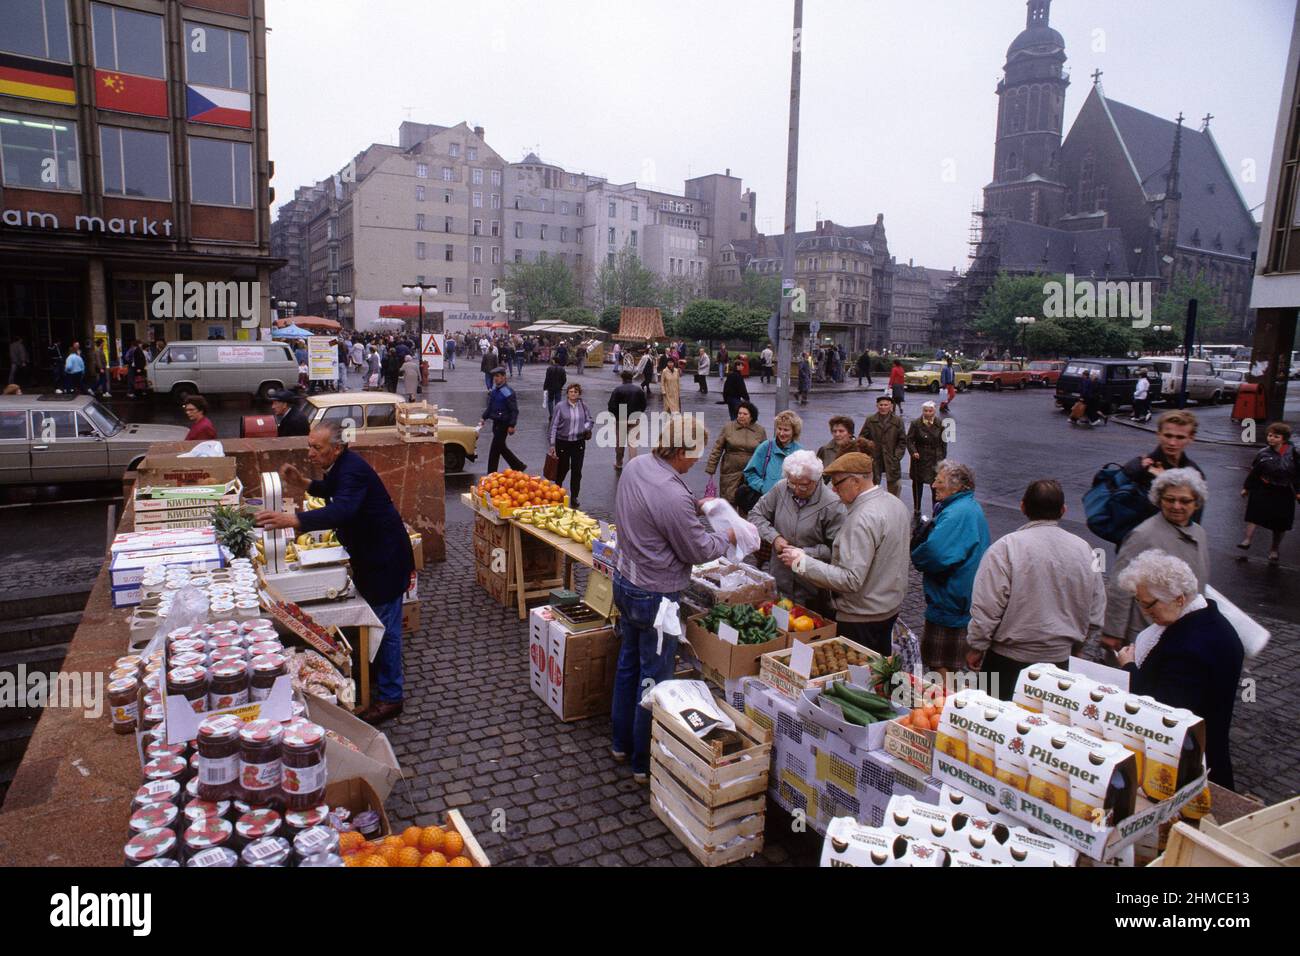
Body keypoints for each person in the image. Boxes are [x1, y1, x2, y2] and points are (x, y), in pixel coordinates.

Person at [256, 421, 414, 724]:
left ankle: (391, 697)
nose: (311, 452)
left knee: (387, 628)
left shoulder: (352, 469)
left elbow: (343, 510)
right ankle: (380, 677)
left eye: (318, 448)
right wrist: (303, 482)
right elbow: (331, 489)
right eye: (309, 446)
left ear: (337, 448)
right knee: (380, 621)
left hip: (385, 558)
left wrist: (294, 520)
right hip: (371, 556)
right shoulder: (342, 467)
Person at [610, 414, 736, 782]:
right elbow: (697, 549)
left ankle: (620, 744)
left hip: (625, 582)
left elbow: (662, 513)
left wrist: (696, 506)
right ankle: (643, 763)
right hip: (657, 597)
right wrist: (727, 536)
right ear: (680, 449)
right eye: (695, 453)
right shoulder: (673, 493)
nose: (697, 461)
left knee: (628, 664)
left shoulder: (636, 467)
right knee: (655, 680)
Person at [965, 479, 1106, 700]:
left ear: (1023, 507)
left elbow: (986, 606)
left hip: (1007, 662)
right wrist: (1083, 649)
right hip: (1060, 663)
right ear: (1063, 510)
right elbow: (1096, 608)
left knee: (997, 726)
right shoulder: (1085, 550)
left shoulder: (1005, 548)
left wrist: (976, 645)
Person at [1114, 550, 1243, 788]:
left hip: (1189, 769)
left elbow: (1162, 708)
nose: (1146, 613)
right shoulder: (1210, 619)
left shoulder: (1189, 647)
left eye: (1150, 605)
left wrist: (1129, 667)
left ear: (1179, 599)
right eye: (1140, 604)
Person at [780, 452, 912, 654]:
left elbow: (850, 579)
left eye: (838, 483)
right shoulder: (895, 504)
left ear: (856, 482)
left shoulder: (861, 518)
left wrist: (801, 562)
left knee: (857, 680)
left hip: (860, 617)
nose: (833, 489)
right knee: (878, 675)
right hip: (888, 609)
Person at [1104, 468, 1210, 654]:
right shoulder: (1144, 534)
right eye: (1170, 499)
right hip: (1146, 632)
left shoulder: (1199, 533)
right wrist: (1113, 632)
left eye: (1184, 501)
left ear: (1196, 503)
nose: (1176, 506)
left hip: (1183, 630)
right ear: (1159, 499)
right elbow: (1120, 585)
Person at [910, 461, 990, 679]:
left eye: (939, 481)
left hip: (951, 603)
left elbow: (936, 553)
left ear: (957, 487)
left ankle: (946, 709)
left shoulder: (957, 513)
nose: (933, 485)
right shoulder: (965, 507)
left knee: (941, 667)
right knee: (949, 668)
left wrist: (916, 555)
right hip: (959, 600)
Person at [749, 450, 846, 612]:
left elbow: (837, 550)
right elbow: (755, 514)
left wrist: (804, 553)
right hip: (779, 578)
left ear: (816, 480)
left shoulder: (832, 504)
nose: (795, 489)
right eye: (792, 483)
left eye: (803, 485)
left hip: (811, 587)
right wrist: (774, 537)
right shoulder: (781, 488)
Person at [1120, 410, 1205, 532]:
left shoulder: (1194, 472)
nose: (1172, 443)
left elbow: (1195, 519)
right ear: (1159, 434)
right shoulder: (1139, 467)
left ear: (1191, 438)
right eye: (1168, 435)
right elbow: (1121, 510)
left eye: (1180, 437)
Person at [1238, 421, 1300, 563]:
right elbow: (1254, 472)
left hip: (1283, 490)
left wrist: (1298, 491)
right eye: (1270, 435)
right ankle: (1247, 540)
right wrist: (1246, 487)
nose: (1271, 438)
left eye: (1276, 436)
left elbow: (1297, 475)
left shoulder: (1293, 453)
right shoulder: (1263, 453)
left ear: (1284, 439)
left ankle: (1274, 549)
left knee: (1280, 523)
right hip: (1264, 487)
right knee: (1254, 513)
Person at [704, 400, 766, 506]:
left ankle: (744, 522)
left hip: (751, 472)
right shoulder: (728, 428)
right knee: (729, 501)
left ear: (752, 416)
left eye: (745, 414)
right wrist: (711, 467)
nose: (741, 416)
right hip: (730, 471)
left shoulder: (760, 430)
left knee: (747, 501)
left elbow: (765, 452)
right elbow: (717, 449)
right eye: (739, 413)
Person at [549, 382, 594, 509]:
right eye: (570, 392)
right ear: (567, 394)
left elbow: (590, 420)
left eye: (575, 392)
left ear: (579, 394)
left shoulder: (583, 406)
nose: (573, 394)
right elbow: (553, 426)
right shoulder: (560, 406)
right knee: (562, 468)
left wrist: (584, 428)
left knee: (577, 470)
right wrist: (552, 444)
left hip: (578, 442)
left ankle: (574, 496)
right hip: (562, 442)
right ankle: (557, 491)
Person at [743, 409, 803, 501]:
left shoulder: (800, 451)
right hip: (766, 500)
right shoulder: (766, 447)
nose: (781, 433)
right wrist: (762, 487)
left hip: (790, 501)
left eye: (786, 430)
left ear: (794, 431)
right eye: (779, 429)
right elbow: (749, 472)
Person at [906, 400, 948, 517]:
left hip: (935, 458)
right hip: (920, 457)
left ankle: (936, 509)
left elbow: (944, 442)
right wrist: (913, 452)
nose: (928, 413)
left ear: (934, 411)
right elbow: (909, 440)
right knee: (917, 483)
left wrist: (942, 458)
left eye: (930, 411)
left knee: (935, 485)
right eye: (925, 411)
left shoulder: (941, 423)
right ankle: (917, 508)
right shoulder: (915, 423)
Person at [480, 366, 525, 473]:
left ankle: (491, 474)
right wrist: (483, 417)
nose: (495, 379)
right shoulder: (495, 391)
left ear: (504, 377)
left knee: (494, 450)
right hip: (496, 423)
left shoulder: (507, 392)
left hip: (504, 424)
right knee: (501, 447)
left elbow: (514, 410)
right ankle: (518, 465)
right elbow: (491, 407)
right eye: (494, 376)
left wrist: (511, 425)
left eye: (498, 376)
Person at [860, 395, 904, 497]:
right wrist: (868, 454)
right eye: (881, 405)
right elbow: (862, 439)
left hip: (891, 458)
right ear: (877, 406)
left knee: (895, 486)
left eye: (886, 405)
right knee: (872, 485)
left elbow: (902, 441)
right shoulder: (870, 420)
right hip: (875, 458)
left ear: (891, 406)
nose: (883, 407)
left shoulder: (897, 421)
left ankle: (893, 508)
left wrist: (896, 456)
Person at [609, 369, 648, 470]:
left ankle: (619, 462)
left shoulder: (617, 390)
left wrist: (616, 416)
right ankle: (632, 465)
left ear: (622, 378)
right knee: (633, 443)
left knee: (620, 443)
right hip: (634, 417)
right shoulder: (639, 390)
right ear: (632, 378)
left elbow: (611, 406)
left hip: (621, 417)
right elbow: (643, 404)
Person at [543, 354, 568, 422]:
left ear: (554, 361)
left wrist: (545, 387)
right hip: (558, 388)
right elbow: (564, 379)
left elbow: (547, 379)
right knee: (558, 401)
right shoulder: (562, 369)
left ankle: (551, 414)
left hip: (550, 388)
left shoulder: (549, 368)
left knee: (550, 401)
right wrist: (561, 385)